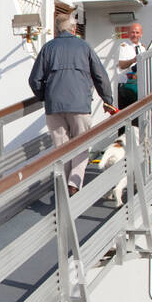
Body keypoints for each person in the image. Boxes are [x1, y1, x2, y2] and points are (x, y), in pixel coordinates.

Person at [28, 13, 116, 193]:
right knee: (81, 145)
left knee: (61, 149)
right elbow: (100, 76)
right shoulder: (84, 46)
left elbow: (34, 80)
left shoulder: (48, 48)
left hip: (54, 107)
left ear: (57, 30)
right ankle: (73, 184)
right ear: (74, 30)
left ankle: (63, 188)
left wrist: (46, 96)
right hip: (79, 106)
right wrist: (107, 100)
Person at [117, 21, 143, 108]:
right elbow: (121, 65)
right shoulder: (123, 47)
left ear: (141, 34)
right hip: (126, 86)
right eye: (132, 32)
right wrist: (133, 60)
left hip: (139, 86)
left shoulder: (142, 48)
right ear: (128, 33)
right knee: (126, 114)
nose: (135, 35)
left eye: (137, 32)